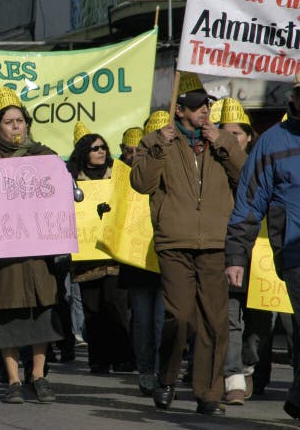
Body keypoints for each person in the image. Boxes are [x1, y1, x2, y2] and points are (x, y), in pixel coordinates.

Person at [131, 72, 246, 416]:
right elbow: (141, 182)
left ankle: (208, 392)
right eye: (195, 108)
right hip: (175, 242)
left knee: (214, 320)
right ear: (178, 110)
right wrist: (158, 146)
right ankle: (166, 378)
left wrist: (223, 142)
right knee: (179, 318)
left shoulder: (220, 140)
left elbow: (245, 176)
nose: (203, 113)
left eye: (206, 107)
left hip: (214, 241)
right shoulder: (157, 139)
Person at [0, 87, 63, 404]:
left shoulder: (44, 156)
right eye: (9, 122)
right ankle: (13, 381)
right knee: (4, 317)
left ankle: (38, 377)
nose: (15, 127)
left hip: (36, 257)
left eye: (20, 121)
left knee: (40, 315)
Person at [225, 76, 300, 420]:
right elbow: (249, 202)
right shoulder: (272, 142)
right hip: (295, 253)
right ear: (294, 100)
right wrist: (237, 254)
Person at [208, 98, 271, 406]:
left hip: (261, 252)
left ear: (249, 136)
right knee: (230, 318)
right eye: (224, 132)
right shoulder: (211, 165)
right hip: (226, 249)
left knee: (260, 323)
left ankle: (247, 364)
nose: (229, 139)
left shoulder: (261, 160)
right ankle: (232, 376)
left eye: (236, 134)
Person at [67, 122, 135, 375]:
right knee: (93, 310)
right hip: (87, 260)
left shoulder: (119, 174)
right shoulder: (72, 180)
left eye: (103, 147)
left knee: (116, 307)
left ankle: (124, 358)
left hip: (115, 256)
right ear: (84, 152)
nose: (101, 152)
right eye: (95, 148)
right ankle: (99, 359)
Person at [116, 123, 164, 396]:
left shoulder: (179, 169)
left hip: (168, 256)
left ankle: (162, 371)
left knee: (162, 322)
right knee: (143, 321)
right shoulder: (127, 175)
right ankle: (147, 371)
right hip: (138, 262)